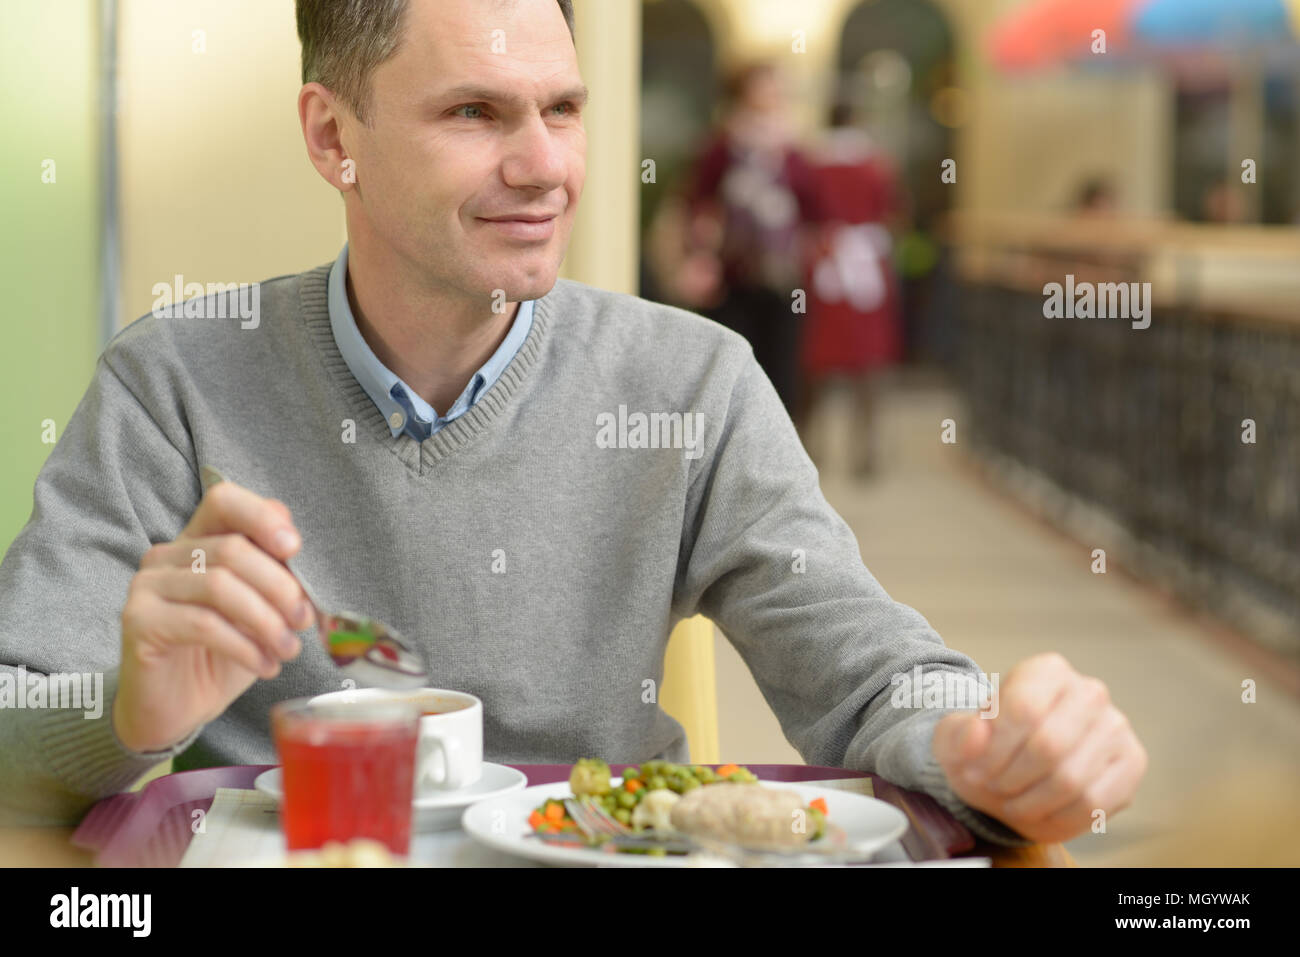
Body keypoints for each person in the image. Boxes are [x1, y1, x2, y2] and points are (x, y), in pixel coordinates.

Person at [0, 0, 1145, 846]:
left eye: (562, 109)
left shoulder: (692, 383)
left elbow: (870, 674)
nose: (544, 164)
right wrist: (124, 708)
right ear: (330, 137)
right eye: (474, 113)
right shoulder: (173, 381)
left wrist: (981, 741)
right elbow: (18, 717)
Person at [682, 61, 821, 416]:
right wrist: (700, 253)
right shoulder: (724, 145)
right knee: (736, 358)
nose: (771, 95)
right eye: (764, 86)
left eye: (776, 87)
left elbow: (813, 205)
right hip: (734, 271)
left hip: (783, 273)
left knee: (783, 363)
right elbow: (698, 200)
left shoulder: (792, 148)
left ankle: (781, 445)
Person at [797, 101, 904, 477]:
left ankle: (809, 445)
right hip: (865, 267)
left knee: (816, 360)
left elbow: (803, 213)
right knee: (868, 360)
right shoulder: (875, 164)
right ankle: (867, 449)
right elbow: (891, 210)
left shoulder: (813, 164)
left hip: (825, 265)